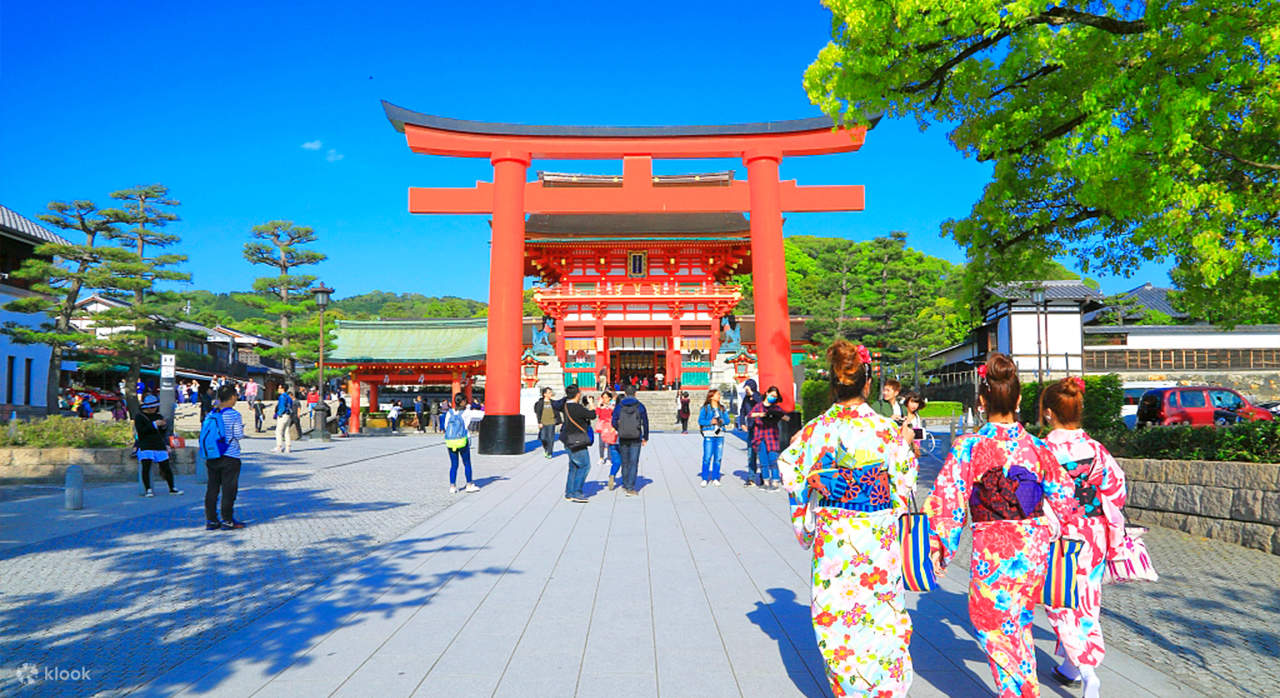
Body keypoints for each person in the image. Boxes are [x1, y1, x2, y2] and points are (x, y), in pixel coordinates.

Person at [924, 353, 1083, 698]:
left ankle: (1020, 694)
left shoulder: (970, 447)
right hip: (1032, 551)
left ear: (981, 401)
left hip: (994, 552)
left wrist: (938, 552)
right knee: (1017, 626)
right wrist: (1069, 534)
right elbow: (1066, 497)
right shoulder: (1038, 448)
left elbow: (947, 504)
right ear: (1019, 399)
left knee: (995, 627)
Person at [778, 340, 919, 696]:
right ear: (867, 384)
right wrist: (893, 504)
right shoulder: (887, 430)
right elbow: (904, 477)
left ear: (833, 384)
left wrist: (809, 511)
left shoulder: (815, 430)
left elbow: (790, 467)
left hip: (835, 539)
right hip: (877, 536)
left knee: (837, 618)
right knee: (882, 616)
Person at [1041, 377, 1128, 698]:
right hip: (1093, 532)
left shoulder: (1044, 450)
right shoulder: (1095, 449)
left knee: (1060, 600)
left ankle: (1086, 669)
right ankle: (1071, 667)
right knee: (1087, 599)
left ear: (1049, 413)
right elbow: (1117, 489)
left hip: (1060, 534)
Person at [202, 384, 246, 530]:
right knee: (229, 489)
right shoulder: (234, 414)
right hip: (230, 456)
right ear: (233, 397)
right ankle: (227, 519)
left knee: (212, 488)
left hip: (212, 455)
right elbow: (238, 435)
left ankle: (211, 520)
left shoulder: (212, 414)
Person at [134, 394, 182, 497]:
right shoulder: (139, 417)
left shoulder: (159, 416)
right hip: (146, 444)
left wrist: (163, 426)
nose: (154, 409)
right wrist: (154, 424)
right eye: (151, 407)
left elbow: (162, 433)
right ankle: (148, 489)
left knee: (166, 467)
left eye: (155, 407)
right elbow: (141, 431)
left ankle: (172, 488)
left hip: (158, 444)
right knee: (146, 467)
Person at [560, 385, 595, 503]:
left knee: (573, 467)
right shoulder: (577, 408)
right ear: (578, 394)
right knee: (585, 465)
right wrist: (591, 403)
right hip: (578, 441)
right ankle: (577, 492)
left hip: (568, 440)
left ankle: (569, 492)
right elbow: (592, 415)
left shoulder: (565, 406)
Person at [611, 386, 649, 496]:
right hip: (636, 437)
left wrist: (620, 429)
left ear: (625, 393)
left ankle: (625, 483)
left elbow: (613, 421)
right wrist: (645, 437)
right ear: (635, 393)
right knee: (633, 462)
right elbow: (645, 423)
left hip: (623, 437)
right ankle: (630, 487)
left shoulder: (619, 406)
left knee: (625, 461)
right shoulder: (640, 406)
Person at [748, 385, 787, 489]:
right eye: (772, 395)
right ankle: (766, 481)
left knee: (773, 459)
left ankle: (775, 481)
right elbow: (750, 415)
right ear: (767, 393)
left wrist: (777, 415)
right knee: (763, 460)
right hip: (760, 436)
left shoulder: (776, 407)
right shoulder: (759, 406)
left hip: (772, 437)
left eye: (775, 396)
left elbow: (787, 418)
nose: (773, 397)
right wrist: (760, 414)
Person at [443, 393, 483, 494]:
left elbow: (446, 426)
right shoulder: (467, 413)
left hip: (450, 442)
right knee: (467, 463)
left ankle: (452, 486)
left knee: (453, 464)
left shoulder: (449, 413)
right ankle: (469, 485)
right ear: (463, 401)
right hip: (462, 441)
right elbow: (482, 415)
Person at [697, 388, 730, 486]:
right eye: (717, 394)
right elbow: (700, 421)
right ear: (711, 396)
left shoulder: (722, 408)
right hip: (709, 434)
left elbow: (727, 420)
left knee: (718, 457)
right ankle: (704, 477)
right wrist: (710, 422)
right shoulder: (706, 408)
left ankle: (716, 477)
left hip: (720, 434)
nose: (719, 396)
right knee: (707, 457)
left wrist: (722, 420)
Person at [595, 390, 622, 490]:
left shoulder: (613, 406)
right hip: (602, 425)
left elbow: (613, 414)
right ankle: (601, 457)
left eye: (606, 397)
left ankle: (609, 458)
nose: (605, 399)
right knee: (601, 442)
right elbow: (597, 413)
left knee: (610, 442)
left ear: (610, 398)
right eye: (603, 397)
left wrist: (610, 406)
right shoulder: (601, 406)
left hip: (610, 425)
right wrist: (598, 405)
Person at [739, 379, 762, 486]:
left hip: (761, 429)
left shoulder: (759, 396)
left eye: (747, 388)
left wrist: (752, 393)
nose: (746, 390)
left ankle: (763, 476)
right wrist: (742, 422)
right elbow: (742, 411)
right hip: (751, 428)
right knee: (751, 453)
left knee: (761, 454)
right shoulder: (746, 399)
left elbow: (761, 404)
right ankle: (751, 477)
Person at [532, 387, 561, 459]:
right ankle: (546, 449)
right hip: (543, 422)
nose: (550, 394)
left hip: (551, 422)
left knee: (551, 438)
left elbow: (557, 412)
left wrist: (559, 421)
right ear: (544, 394)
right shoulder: (540, 403)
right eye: (549, 392)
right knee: (543, 438)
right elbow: (538, 413)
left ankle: (549, 453)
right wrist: (539, 422)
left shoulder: (553, 403)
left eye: (551, 392)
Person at [899, 392, 925, 458]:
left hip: (912, 449)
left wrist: (917, 447)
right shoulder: (900, 414)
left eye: (916, 403)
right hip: (900, 446)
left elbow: (918, 435)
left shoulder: (917, 417)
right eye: (912, 402)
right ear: (907, 402)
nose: (914, 405)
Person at [272, 385, 294, 453]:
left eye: (279, 388)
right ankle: (288, 447)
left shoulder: (282, 396)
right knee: (286, 431)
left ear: (282, 389)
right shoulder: (289, 397)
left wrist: (279, 414)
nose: (278, 389)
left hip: (283, 415)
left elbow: (282, 406)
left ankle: (279, 446)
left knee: (278, 431)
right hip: (288, 415)